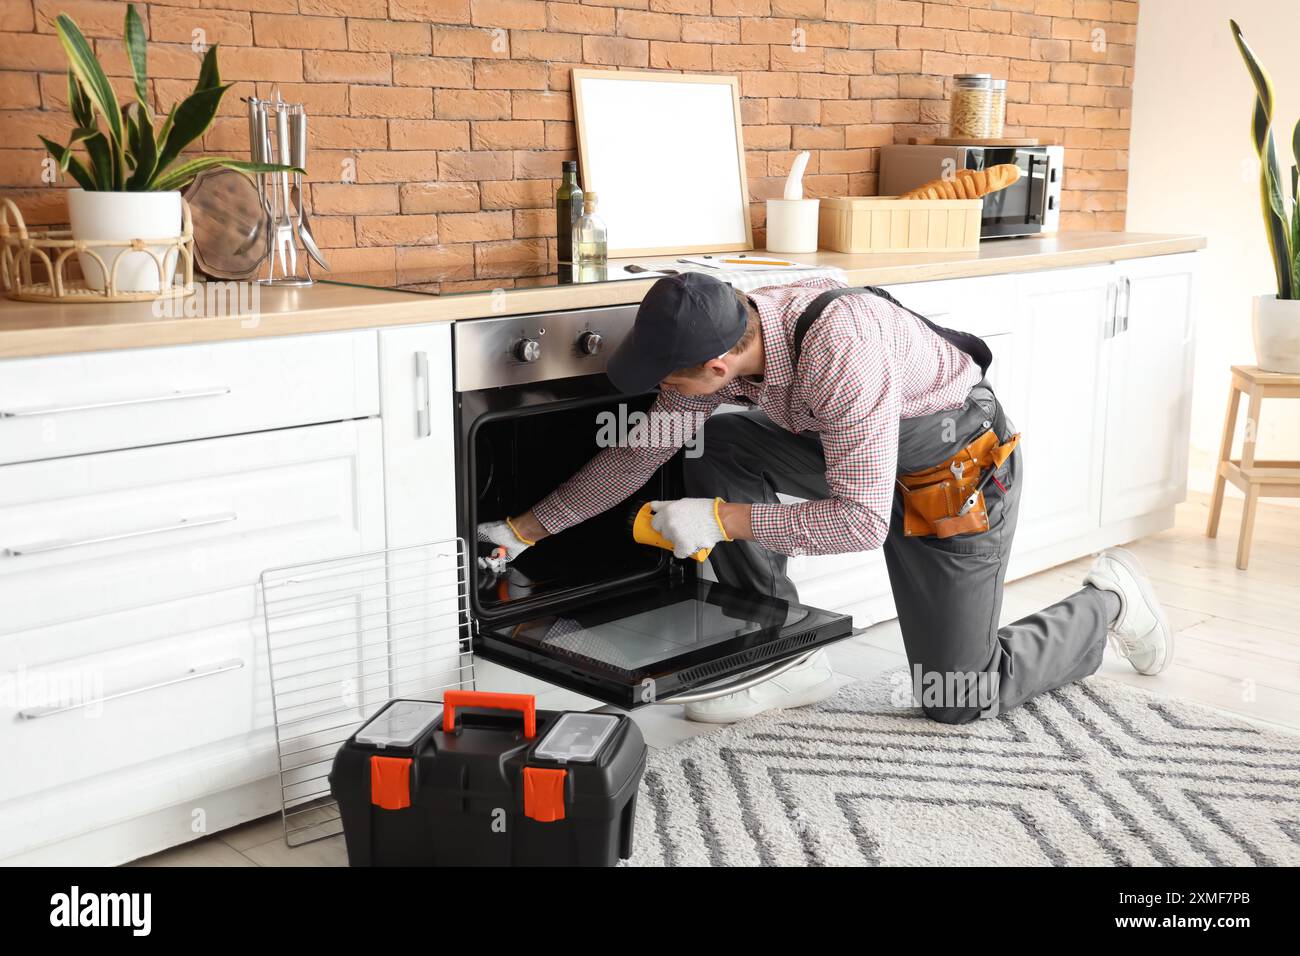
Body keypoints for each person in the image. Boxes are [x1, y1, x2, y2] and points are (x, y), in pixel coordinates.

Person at [479, 272, 1173, 724]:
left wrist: (719, 519)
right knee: (714, 446)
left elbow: (863, 521)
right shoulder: (729, 329)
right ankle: (784, 657)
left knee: (960, 694)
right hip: (855, 458)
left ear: (717, 367)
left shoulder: (838, 348)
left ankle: (1110, 601)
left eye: (673, 382)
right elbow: (641, 450)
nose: (666, 393)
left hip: (948, 471)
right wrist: (525, 529)